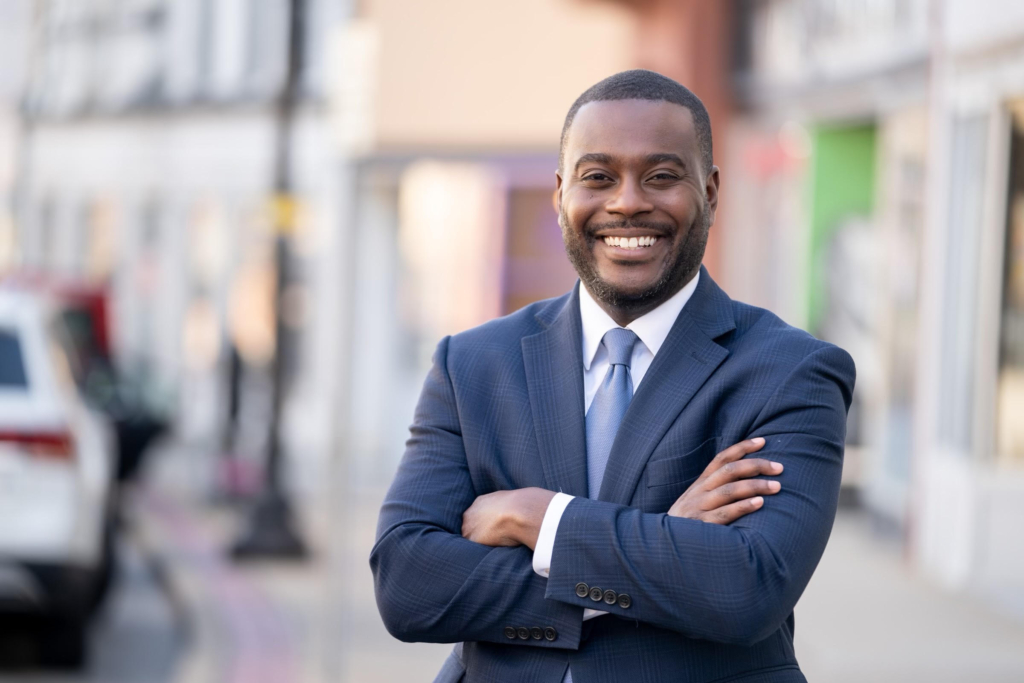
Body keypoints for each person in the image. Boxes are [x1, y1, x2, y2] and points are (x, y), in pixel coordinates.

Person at [370, 69, 855, 683]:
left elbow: (747, 588)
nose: (627, 202)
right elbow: (408, 585)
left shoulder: (790, 372)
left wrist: (541, 519)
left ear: (710, 192)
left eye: (661, 176)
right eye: (598, 177)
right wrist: (666, 543)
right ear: (560, 194)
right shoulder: (471, 365)